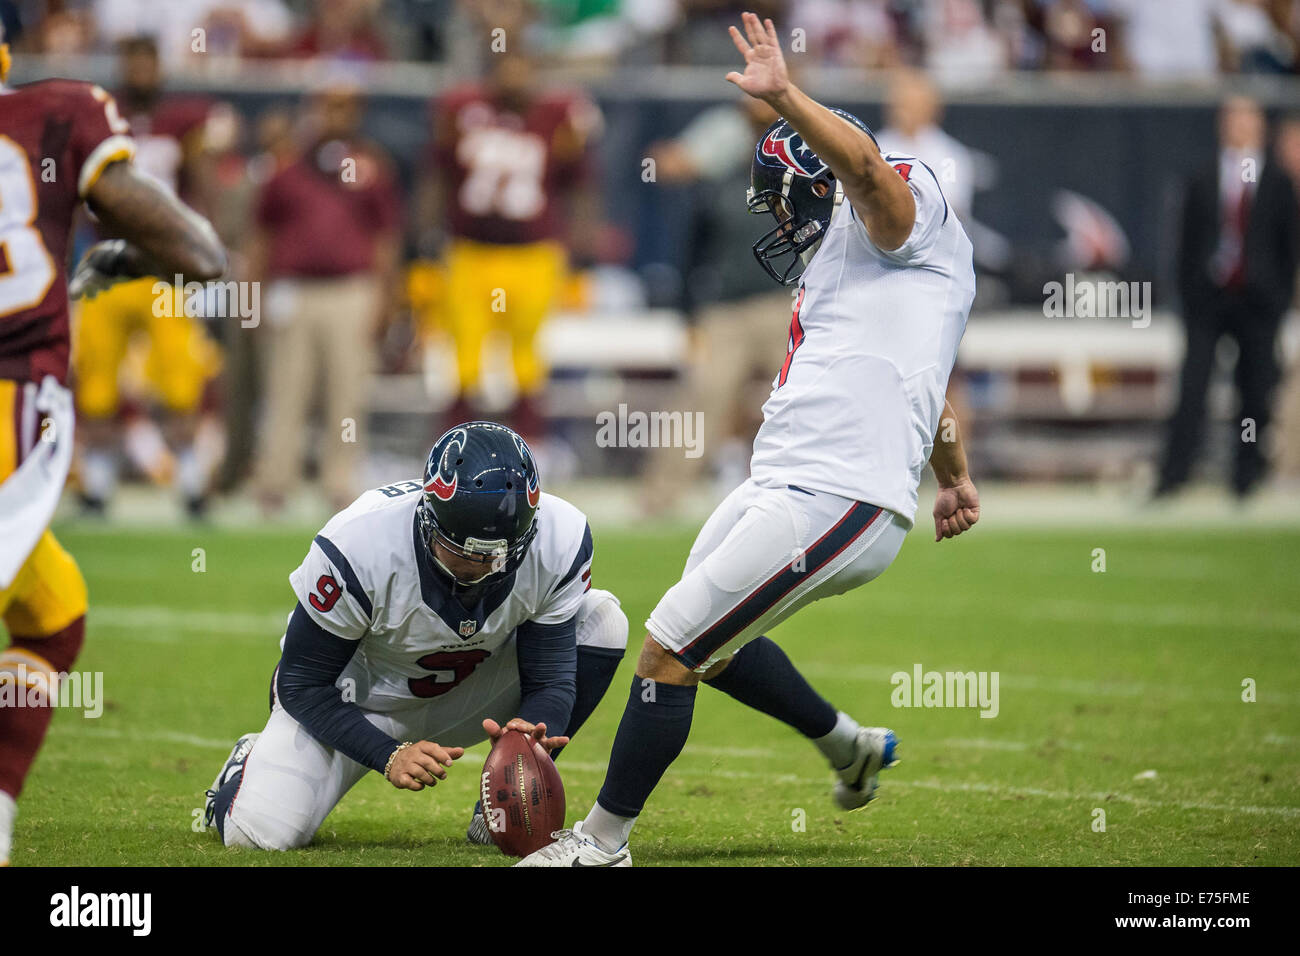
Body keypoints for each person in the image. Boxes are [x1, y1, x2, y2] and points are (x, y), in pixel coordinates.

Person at [517, 13, 978, 867]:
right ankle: (849, 745)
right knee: (712, 644)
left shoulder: (903, 201)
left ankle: (603, 843)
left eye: (792, 201)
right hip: (786, 480)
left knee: (668, 645)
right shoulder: (851, 257)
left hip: (843, 492)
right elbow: (927, 384)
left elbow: (871, 171)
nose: (785, 222)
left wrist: (786, 95)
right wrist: (953, 475)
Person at [0, 21, 226, 866]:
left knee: (53, 612)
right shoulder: (60, 114)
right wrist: (136, 255)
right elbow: (201, 251)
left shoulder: (171, 122)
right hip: (10, 399)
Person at [203, 422, 628, 850]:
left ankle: (499, 803)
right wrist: (387, 753)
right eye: (462, 554)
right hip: (358, 703)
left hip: (467, 695)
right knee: (254, 835)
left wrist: (531, 731)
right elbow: (300, 683)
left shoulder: (560, 537)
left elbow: (550, 679)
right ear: (429, 519)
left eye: (497, 557)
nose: (480, 569)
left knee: (603, 621)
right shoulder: (360, 544)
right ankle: (243, 766)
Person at [73, 34, 231, 517]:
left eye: (148, 64)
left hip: (164, 268)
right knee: (97, 382)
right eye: (132, 64)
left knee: (180, 380)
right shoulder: (102, 121)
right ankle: (97, 486)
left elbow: (203, 188)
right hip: (110, 266)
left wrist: (211, 250)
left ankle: (190, 483)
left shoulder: (183, 122)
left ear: (159, 68)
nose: (141, 74)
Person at [419, 49, 601, 443]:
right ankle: (455, 449)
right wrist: (425, 238)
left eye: (523, 67)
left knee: (527, 359)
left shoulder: (559, 115)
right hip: (471, 251)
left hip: (534, 253)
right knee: (464, 356)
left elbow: (580, 183)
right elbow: (437, 174)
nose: (515, 77)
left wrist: (582, 244)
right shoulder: (461, 110)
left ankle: (530, 447)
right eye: (507, 68)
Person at [248, 83, 401, 514]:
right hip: (293, 291)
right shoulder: (287, 170)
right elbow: (260, 238)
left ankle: (339, 483)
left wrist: (385, 299)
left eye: (343, 108)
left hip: (351, 290)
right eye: (327, 108)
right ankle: (275, 482)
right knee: (285, 392)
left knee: (346, 392)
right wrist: (253, 297)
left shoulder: (370, 168)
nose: (334, 117)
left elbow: (386, 239)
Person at [1156, 96, 1300, 499]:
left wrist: (1277, 296)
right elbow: (1185, 245)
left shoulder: (1276, 181)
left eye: (1246, 119)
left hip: (1257, 302)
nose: (1238, 127)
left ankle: (1245, 476)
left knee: (1254, 389)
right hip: (1210, 300)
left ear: (1259, 126)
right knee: (1192, 386)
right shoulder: (1203, 177)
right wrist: (1192, 293)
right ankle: (1175, 473)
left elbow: (1288, 246)